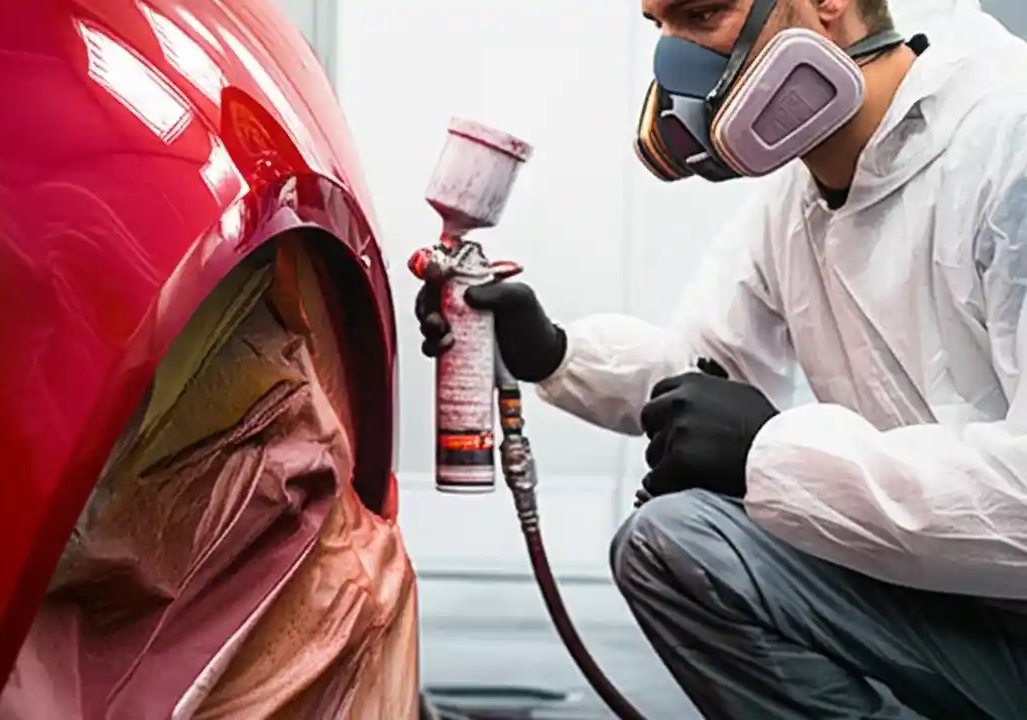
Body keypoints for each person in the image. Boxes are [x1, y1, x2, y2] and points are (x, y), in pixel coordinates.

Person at [416, 0, 1027, 717]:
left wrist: (767, 451)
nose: (677, 65)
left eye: (702, 15)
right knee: (672, 543)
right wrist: (549, 349)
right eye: (660, 27)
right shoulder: (796, 202)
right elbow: (702, 371)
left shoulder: (1005, 144)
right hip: (953, 604)